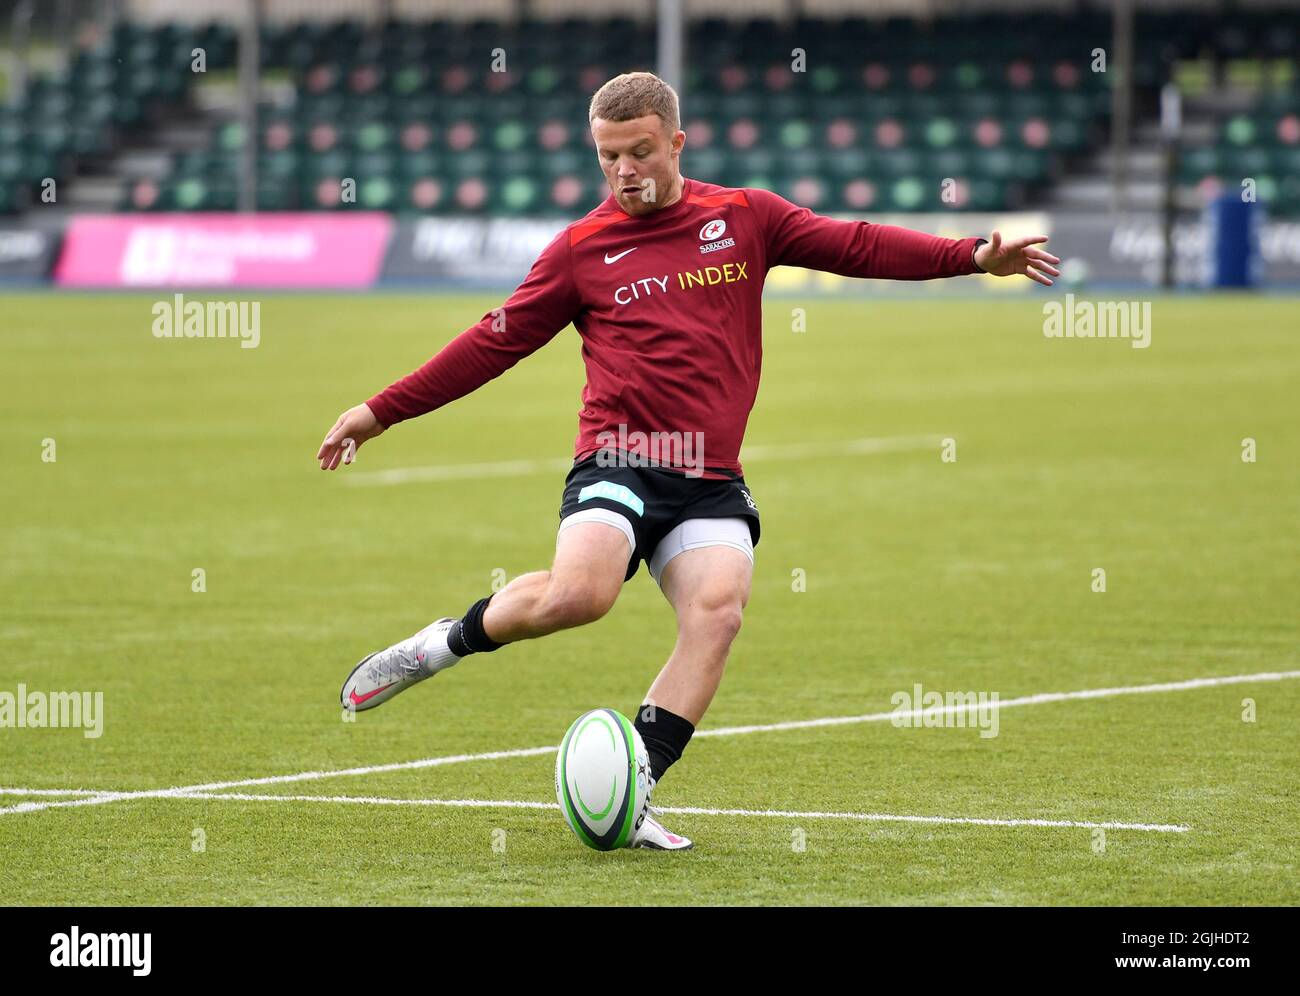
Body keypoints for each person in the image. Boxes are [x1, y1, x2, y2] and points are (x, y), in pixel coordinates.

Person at [317, 71, 1060, 850]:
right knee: (582, 594)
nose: (625, 170)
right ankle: (440, 645)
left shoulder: (745, 217)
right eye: (609, 157)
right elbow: (492, 342)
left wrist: (974, 255)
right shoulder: (580, 250)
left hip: (709, 477)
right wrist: (379, 411)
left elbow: (857, 244)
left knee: (718, 613)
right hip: (622, 455)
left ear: (676, 141)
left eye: (640, 151)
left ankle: (632, 786)